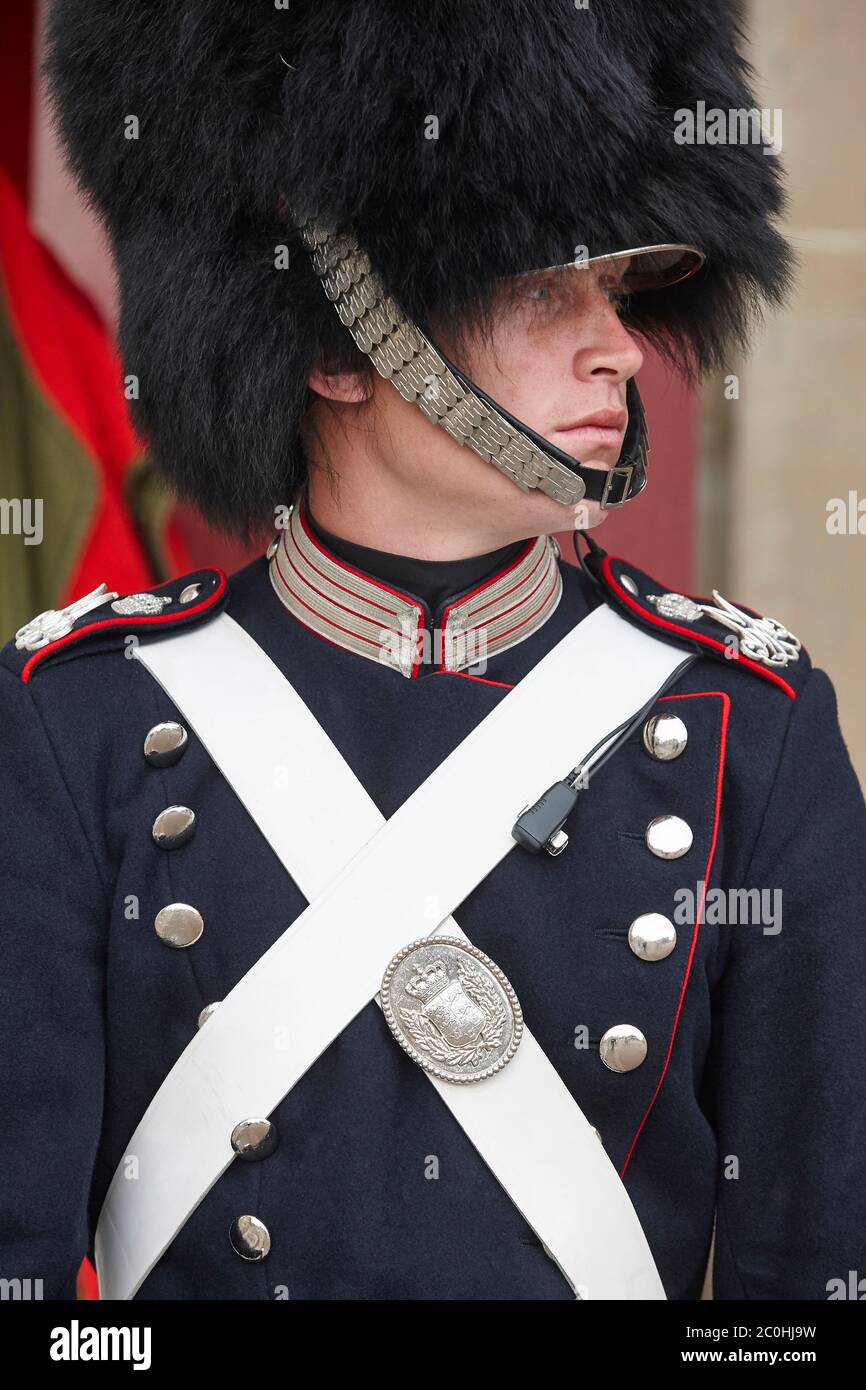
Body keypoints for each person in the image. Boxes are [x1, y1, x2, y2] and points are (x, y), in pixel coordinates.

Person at [1, 0, 863, 1302]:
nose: (618, 347)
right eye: (540, 288)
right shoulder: (82, 722)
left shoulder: (755, 727)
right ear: (336, 346)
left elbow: (809, 1273)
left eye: (614, 289)